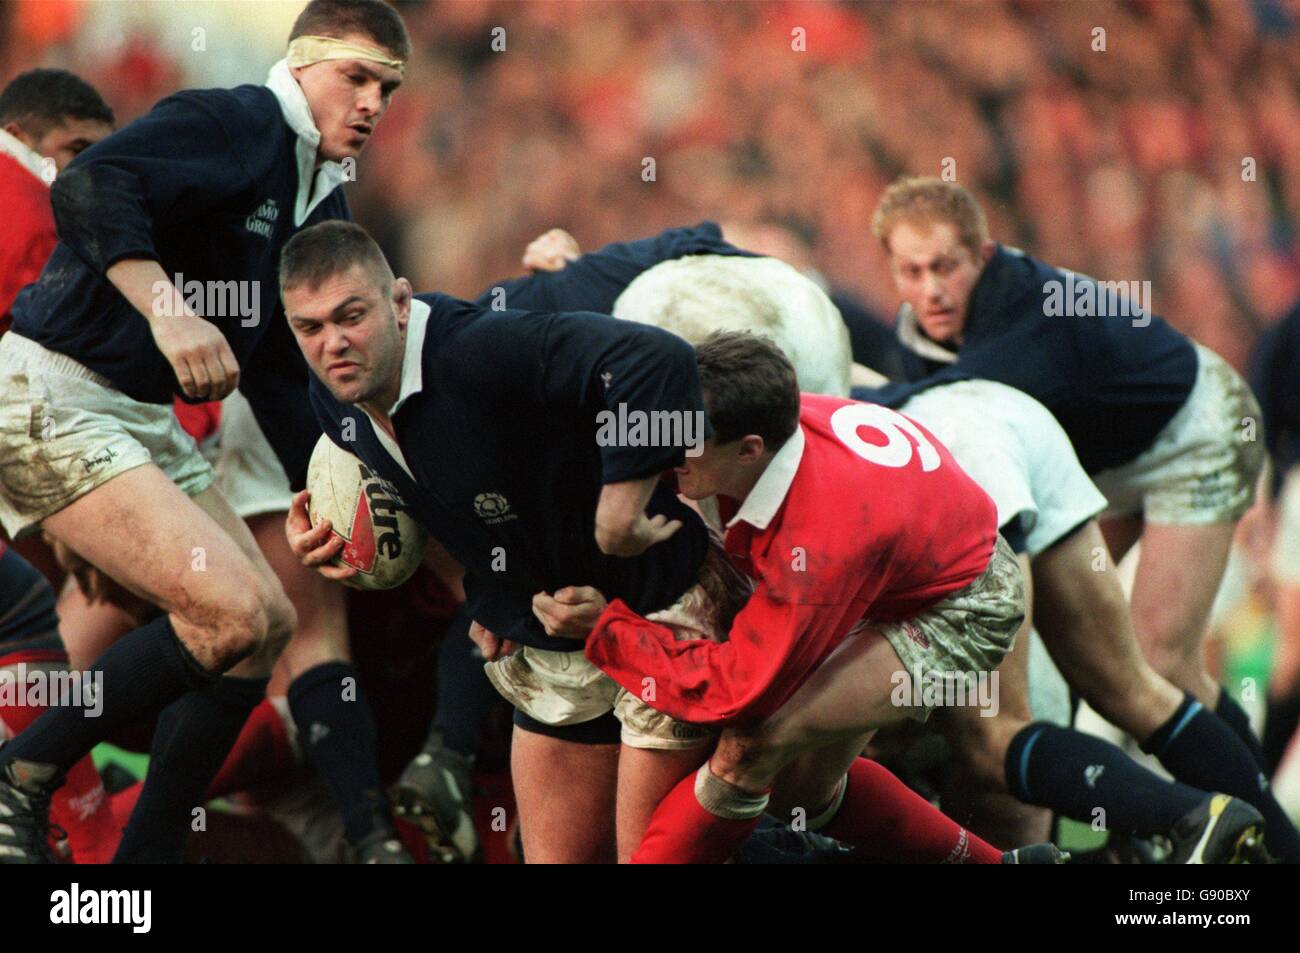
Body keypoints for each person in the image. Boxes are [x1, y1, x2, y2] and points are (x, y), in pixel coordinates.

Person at [0, 0, 410, 864]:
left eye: (388, 87)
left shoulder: (313, 188)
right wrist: (167, 311)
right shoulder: (238, 119)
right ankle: (22, 773)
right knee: (228, 615)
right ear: (301, 65)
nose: (372, 103)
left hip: (137, 417)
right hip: (56, 394)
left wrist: (330, 486)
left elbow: (267, 367)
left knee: (257, 631)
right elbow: (85, 185)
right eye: (356, 77)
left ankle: (136, 877)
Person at [281, 220, 736, 863]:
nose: (333, 344)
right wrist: (496, 593)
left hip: (657, 617)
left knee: (652, 859)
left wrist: (620, 510)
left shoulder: (478, 349)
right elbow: (456, 490)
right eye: (310, 328)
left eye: (350, 316)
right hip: (553, 644)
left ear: (401, 302)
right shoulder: (335, 400)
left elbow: (658, 360)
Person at [867, 177, 1268, 778]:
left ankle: (1254, 812)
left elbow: (948, 399)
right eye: (912, 271)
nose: (931, 290)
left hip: (1198, 436)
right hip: (1108, 461)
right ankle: (1122, 821)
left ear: (983, 254)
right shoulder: (929, 327)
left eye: (945, 267)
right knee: (1079, 645)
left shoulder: (1026, 310)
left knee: (1157, 662)